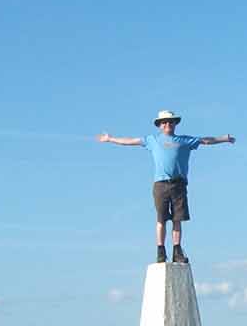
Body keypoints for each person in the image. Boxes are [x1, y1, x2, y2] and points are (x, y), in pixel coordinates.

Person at [97, 110, 235, 263]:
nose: (167, 124)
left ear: (175, 124)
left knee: (178, 219)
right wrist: (110, 139)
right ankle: (161, 252)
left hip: (179, 184)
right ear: (160, 126)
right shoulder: (152, 140)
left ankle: (177, 251)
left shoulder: (183, 140)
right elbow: (130, 141)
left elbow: (206, 141)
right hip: (161, 184)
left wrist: (224, 138)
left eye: (170, 121)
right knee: (161, 219)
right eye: (164, 122)